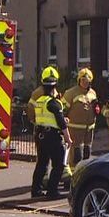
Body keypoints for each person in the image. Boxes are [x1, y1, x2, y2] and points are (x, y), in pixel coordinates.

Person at [31, 66, 72, 198]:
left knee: (42, 164)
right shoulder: (54, 103)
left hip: (40, 135)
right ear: (55, 86)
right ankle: (52, 191)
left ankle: (35, 191)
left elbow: (46, 118)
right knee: (59, 164)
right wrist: (68, 138)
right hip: (52, 137)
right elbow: (61, 123)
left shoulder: (40, 101)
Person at [62, 67, 99, 168]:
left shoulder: (93, 93)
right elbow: (63, 110)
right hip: (75, 130)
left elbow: (95, 107)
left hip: (89, 130)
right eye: (83, 80)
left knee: (87, 153)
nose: (85, 82)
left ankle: (83, 175)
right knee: (76, 155)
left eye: (87, 81)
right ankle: (72, 177)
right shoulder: (70, 93)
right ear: (79, 80)